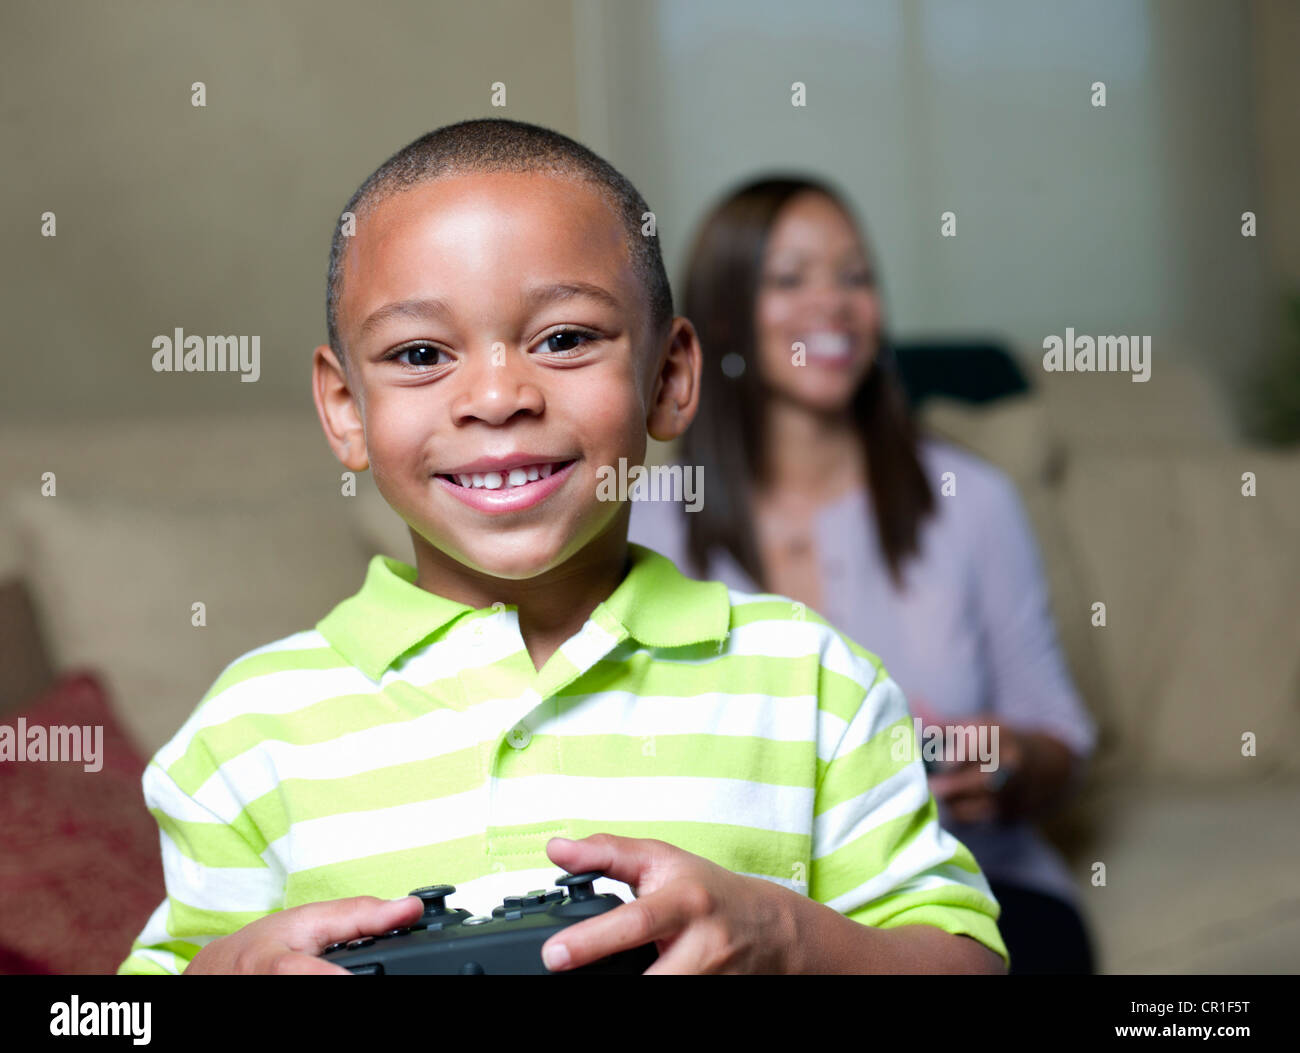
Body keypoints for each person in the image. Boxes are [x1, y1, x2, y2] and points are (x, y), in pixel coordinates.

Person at [117, 120, 1007, 975]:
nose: (498, 396)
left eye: (566, 339)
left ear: (668, 378)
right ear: (346, 410)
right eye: (422, 353)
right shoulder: (244, 733)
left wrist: (785, 938)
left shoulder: (816, 686)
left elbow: (961, 960)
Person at [628, 176, 1098, 974]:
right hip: (733, 905)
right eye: (791, 278)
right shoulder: (645, 517)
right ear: (725, 314)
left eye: (856, 276)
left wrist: (1008, 759)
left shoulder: (972, 500)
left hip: (974, 892)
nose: (835, 304)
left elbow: (1060, 742)